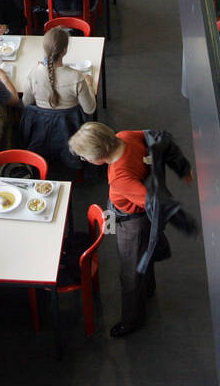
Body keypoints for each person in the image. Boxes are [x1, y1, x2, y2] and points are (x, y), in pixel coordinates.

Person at [68, 121, 194, 337]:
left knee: (130, 273)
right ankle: (149, 288)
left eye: (85, 157)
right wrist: (182, 167)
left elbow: (156, 203)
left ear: (99, 158)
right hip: (136, 214)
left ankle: (132, 320)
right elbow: (160, 137)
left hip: (132, 223)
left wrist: (184, 223)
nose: (85, 161)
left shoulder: (120, 177)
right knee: (143, 256)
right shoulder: (124, 136)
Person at [24, 26, 96, 113]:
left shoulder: (34, 74)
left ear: (44, 48)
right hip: (69, 124)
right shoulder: (76, 77)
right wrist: (89, 85)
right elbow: (89, 110)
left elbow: (26, 103)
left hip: (41, 124)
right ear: (65, 50)